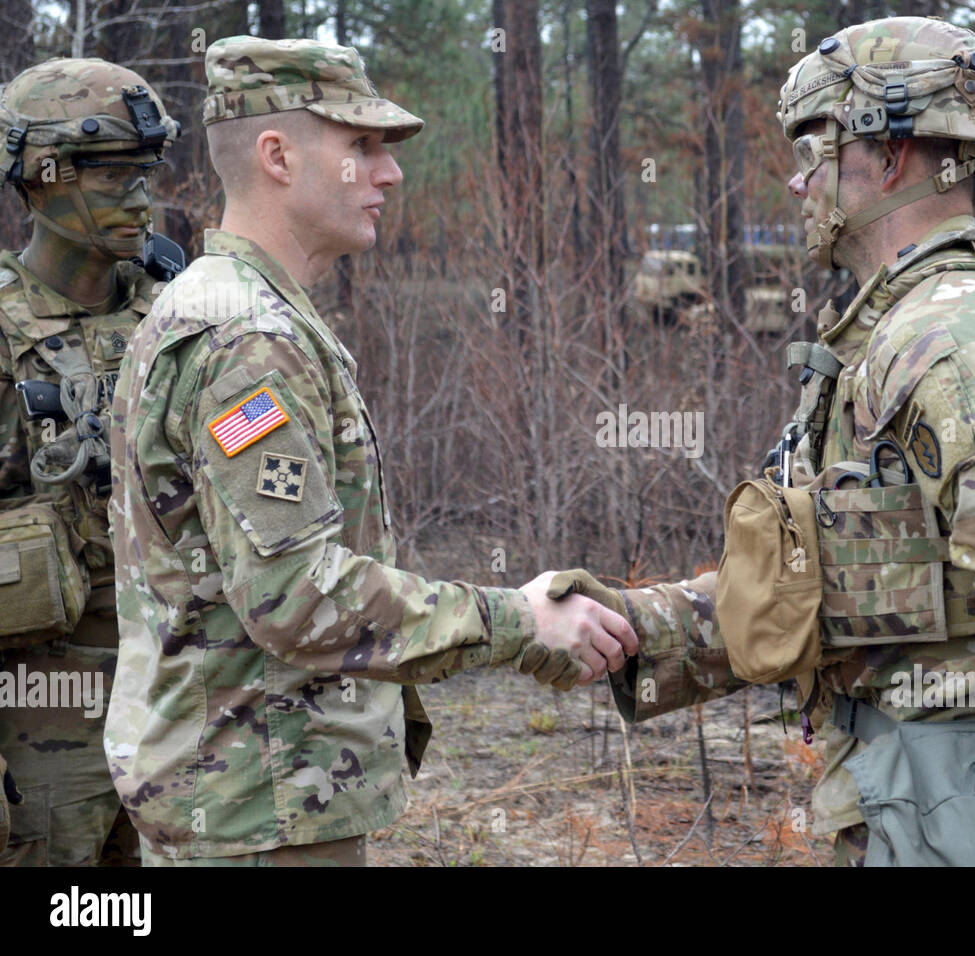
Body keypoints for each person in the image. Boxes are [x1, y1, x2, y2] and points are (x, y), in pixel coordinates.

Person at [551, 16, 975, 866]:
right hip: (937, 790)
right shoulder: (913, 322)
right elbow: (848, 582)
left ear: (888, 156)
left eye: (813, 151)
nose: (796, 183)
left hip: (974, 800)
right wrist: (634, 623)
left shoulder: (953, 327)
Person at [107, 35, 636, 866]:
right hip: (260, 806)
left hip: (249, 791)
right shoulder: (245, 338)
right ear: (277, 156)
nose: (390, 173)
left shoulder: (233, 310)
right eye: (362, 147)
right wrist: (518, 619)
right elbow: (299, 598)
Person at [0, 58, 181, 866]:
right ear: (42, 177)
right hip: (40, 712)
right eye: (114, 177)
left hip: (177, 698)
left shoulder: (179, 310)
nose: (141, 197)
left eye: (147, 174)